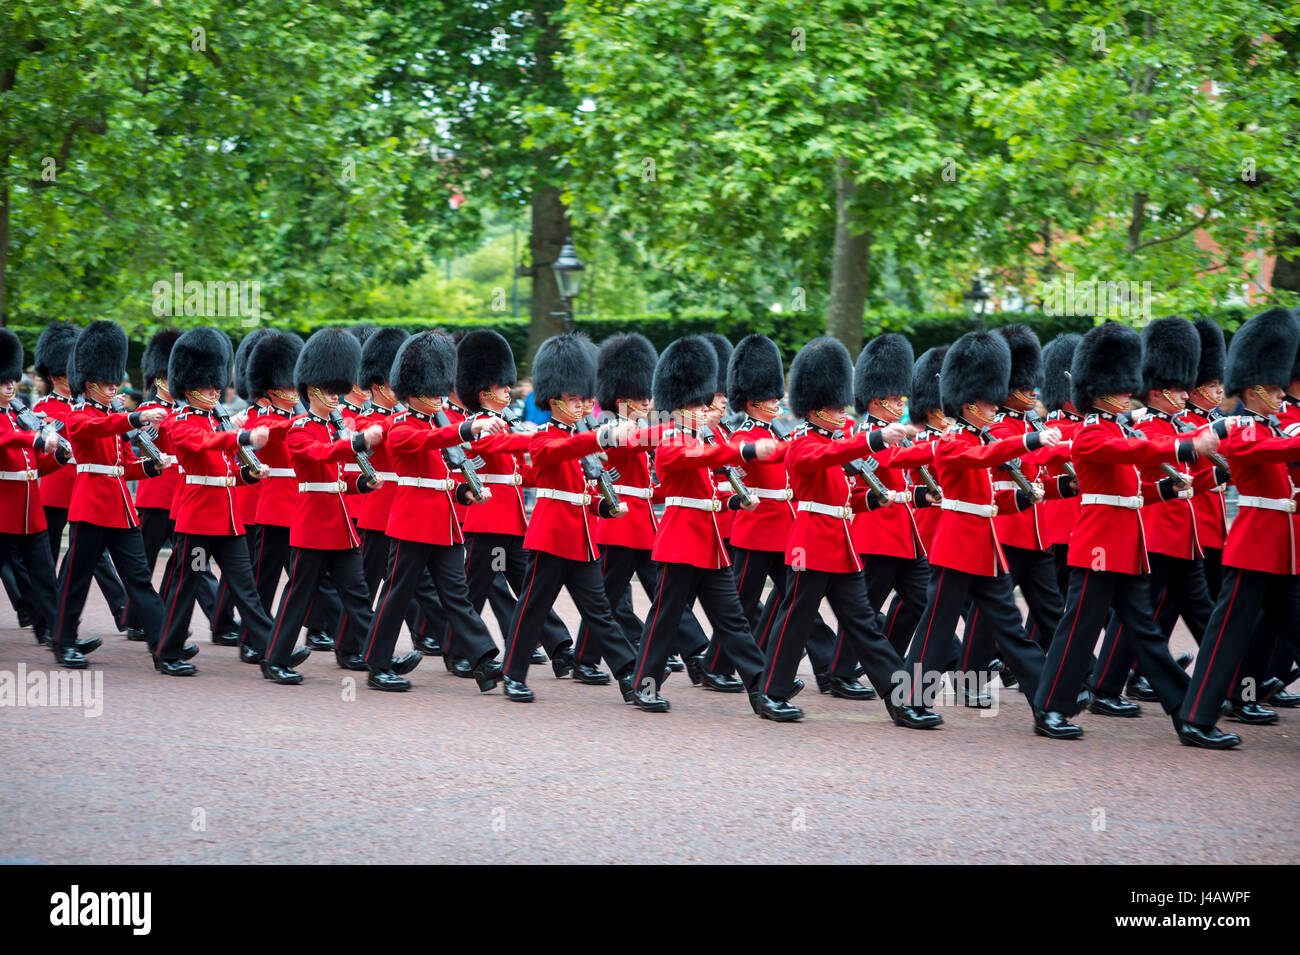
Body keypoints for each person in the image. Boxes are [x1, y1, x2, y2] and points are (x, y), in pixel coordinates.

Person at [1032, 322, 1215, 739]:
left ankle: (1185, 713)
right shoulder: (1092, 433)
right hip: (1099, 543)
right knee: (1078, 626)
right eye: (1121, 389)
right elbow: (1133, 451)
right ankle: (1049, 709)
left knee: (1146, 631)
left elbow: (1131, 492)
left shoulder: (1118, 427)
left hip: (1128, 543)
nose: (1129, 394)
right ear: (1099, 393)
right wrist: (1182, 448)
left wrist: (1165, 488)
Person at [758, 337, 940, 727]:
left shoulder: (835, 442)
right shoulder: (801, 443)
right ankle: (771, 693)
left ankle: (900, 699)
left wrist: (876, 501)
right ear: (816, 409)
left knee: (864, 625)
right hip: (811, 542)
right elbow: (826, 458)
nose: (843, 413)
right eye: (836, 407)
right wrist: (872, 439)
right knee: (795, 621)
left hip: (841, 546)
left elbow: (845, 501)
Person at [902, 329, 1060, 724]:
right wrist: (1031, 442)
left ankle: (1048, 705)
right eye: (989, 403)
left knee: (1011, 629)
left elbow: (990, 498)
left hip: (985, 548)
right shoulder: (953, 441)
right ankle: (909, 701)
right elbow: (983, 458)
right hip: (957, 546)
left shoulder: (979, 436)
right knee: (936, 628)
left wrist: (1025, 497)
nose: (995, 408)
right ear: (970, 404)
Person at [1088, 318, 1229, 716]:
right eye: (1180, 388)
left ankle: (1232, 684)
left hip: (1185, 535)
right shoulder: (1146, 425)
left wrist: (1216, 472)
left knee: (1200, 612)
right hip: (1156, 532)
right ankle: (1105, 686)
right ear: (1159, 390)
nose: (1186, 395)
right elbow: (1157, 454)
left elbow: (1187, 482)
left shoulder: (1175, 424)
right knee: (1139, 616)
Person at [1176, 308, 1300, 748]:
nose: (1284, 394)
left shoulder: (1274, 422)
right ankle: (1195, 719)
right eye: (1279, 388)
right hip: (1254, 545)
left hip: (1283, 549)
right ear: (1257, 388)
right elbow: (1273, 452)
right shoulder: (1241, 427)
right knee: (1225, 635)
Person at [498, 333, 643, 702]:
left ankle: (630, 677)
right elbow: (563, 451)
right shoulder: (543, 437)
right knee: (532, 608)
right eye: (576, 398)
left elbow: (583, 491)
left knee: (601, 612)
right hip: (550, 535)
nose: (582, 405)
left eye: (584, 398)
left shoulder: (583, 438)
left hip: (581, 537)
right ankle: (513, 675)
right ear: (555, 398)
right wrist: (603, 437)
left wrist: (602, 507)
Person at [154, 327, 281, 676]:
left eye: (216, 384)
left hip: (228, 522)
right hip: (197, 524)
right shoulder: (180, 423)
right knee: (188, 584)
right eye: (210, 386)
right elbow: (204, 445)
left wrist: (248, 475)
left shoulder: (215, 420)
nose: (216, 390)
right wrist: (241, 435)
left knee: (246, 589)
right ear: (191, 388)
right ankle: (167, 652)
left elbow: (225, 470)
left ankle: (273, 653)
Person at [261, 328, 384, 684]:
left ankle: (380, 659)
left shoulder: (333, 428)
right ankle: (275, 658)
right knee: (300, 595)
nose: (337, 396)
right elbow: (318, 457)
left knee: (358, 596)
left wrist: (361, 483)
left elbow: (335, 479)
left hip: (340, 526)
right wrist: (357, 442)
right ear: (313, 390)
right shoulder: (299, 428)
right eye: (331, 390)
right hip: (313, 525)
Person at [53, 321, 173, 667]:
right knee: (76, 579)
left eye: (114, 380)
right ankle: (64, 641)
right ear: (90, 384)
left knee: (140, 580)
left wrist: (152, 466)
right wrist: (134, 418)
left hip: (121, 509)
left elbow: (124, 466)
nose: (114, 386)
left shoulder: (115, 417)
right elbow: (93, 429)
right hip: (90, 507)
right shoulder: (79, 415)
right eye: (107, 382)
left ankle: (164, 646)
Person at [32, 322, 129, 637]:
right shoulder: (46, 408)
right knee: (46, 560)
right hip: (57, 487)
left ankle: (121, 612)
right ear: (58, 378)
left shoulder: (87, 407)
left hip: (86, 488)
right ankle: (47, 621)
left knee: (91, 556)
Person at [0, 329, 70, 653]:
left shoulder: (17, 416)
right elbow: (7, 441)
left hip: (30, 513)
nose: (10, 387)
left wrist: (58, 456)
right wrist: (37, 438)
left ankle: (61, 639)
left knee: (46, 580)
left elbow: (34, 469)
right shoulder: (10, 426)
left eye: (12, 380)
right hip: (3, 513)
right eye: (4, 382)